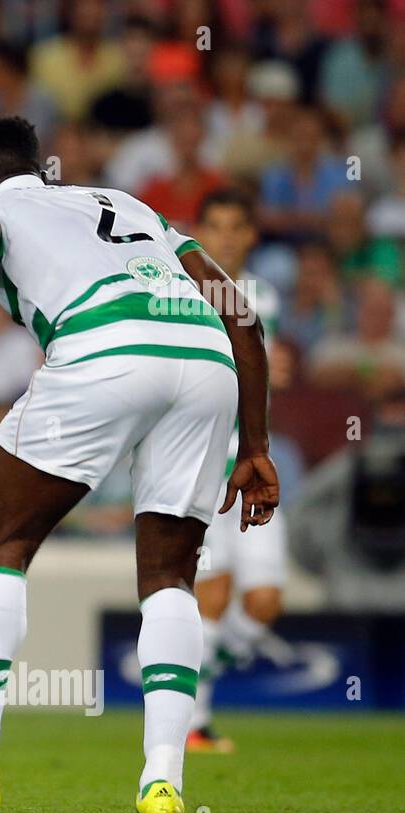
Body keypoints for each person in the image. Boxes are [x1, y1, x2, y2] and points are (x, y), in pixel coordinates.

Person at [0, 116, 277, 813]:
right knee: (170, 576)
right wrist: (254, 445)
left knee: (4, 543)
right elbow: (244, 317)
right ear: (41, 166)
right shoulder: (128, 205)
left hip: (106, 343)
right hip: (204, 359)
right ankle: (162, 780)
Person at [189, 188, 291, 753]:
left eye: (236, 227)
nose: (226, 236)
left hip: (253, 464)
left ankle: (189, 675)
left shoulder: (260, 298)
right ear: (201, 231)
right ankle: (193, 723)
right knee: (215, 592)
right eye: (216, 225)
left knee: (264, 603)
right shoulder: (178, 292)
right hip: (203, 467)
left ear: (251, 234)